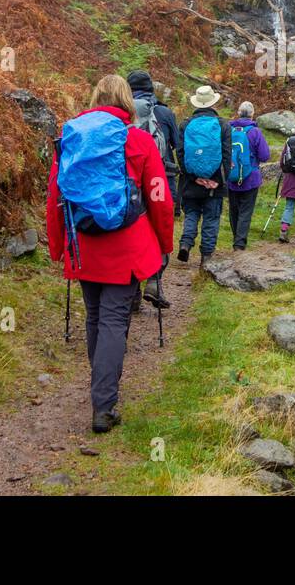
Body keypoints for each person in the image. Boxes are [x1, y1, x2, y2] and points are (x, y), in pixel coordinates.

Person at [46, 75, 174, 434]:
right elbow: (159, 196)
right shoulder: (139, 140)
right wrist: (164, 243)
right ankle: (103, 406)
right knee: (114, 321)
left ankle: (101, 390)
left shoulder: (72, 138)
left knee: (95, 317)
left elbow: (55, 196)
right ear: (127, 101)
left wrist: (58, 246)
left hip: (84, 246)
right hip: (127, 247)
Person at [127, 69, 180, 310]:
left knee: (133, 231)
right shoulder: (165, 113)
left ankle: (132, 292)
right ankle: (155, 281)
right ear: (151, 88)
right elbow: (176, 145)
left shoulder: (124, 114)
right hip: (161, 180)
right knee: (160, 227)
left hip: (132, 184)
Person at [177, 85, 231, 268]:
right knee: (211, 218)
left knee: (191, 214)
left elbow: (181, 154)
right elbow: (226, 156)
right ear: (213, 103)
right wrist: (219, 181)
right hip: (214, 183)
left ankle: (185, 244)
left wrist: (193, 178)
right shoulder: (223, 125)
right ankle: (206, 257)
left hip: (191, 181)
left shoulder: (185, 125)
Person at [227, 101, 271, 250]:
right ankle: (239, 243)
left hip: (231, 176)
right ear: (252, 114)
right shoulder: (255, 132)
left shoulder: (229, 129)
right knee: (245, 211)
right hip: (250, 178)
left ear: (238, 113)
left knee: (234, 210)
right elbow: (264, 156)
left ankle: (236, 237)